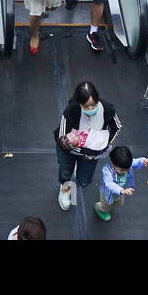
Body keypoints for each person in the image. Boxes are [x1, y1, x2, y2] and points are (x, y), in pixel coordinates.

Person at [54, 80, 122, 211]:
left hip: (90, 156)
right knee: (65, 171)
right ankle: (65, 189)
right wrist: (85, 149)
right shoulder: (72, 110)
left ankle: (77, 177)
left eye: (94, 105)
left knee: (84, 180)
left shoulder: (107, 109)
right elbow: (61, 137)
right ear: (80, 103)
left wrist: (104, 144)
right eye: (86, 106)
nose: (91, 109)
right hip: (69, 151)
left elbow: (117, 127)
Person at [94, 145, 148, 222]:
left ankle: (108, 205)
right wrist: (122, 191)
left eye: (127, 169)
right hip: (108, 193)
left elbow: (137, 162)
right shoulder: (107, 171)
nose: (125, 172)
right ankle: (99, 207)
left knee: (119, 203)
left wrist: (143, 161)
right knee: (106, 206)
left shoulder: (125, 165)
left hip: (119, 192)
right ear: (113, 164)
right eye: (121, 170)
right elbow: (109, 184)